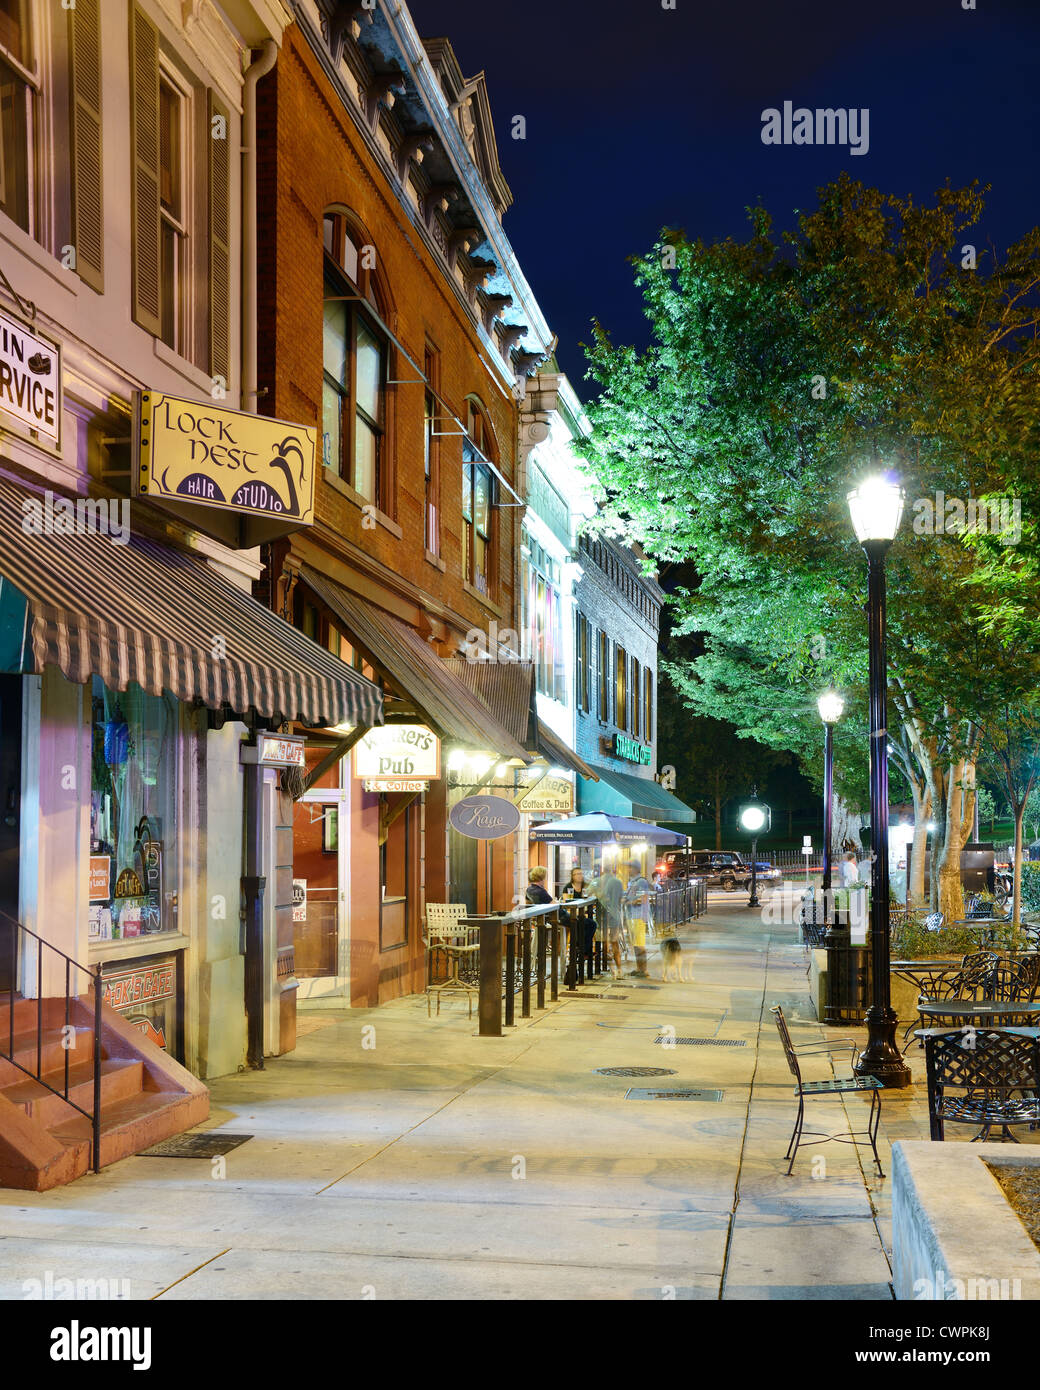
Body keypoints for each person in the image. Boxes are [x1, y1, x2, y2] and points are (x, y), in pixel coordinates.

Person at [560, 867, 596, 982]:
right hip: (571, 915)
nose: (579, 876)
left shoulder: (586, 886)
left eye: (580, 873)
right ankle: (582, 951)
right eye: (576, 874)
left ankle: (580, 949)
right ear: (572, 876)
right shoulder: (568, 887)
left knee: (588, 925)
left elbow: (591, 898)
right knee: (590, 924)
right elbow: (566, 903)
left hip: (582, 914)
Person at [623, 861, 653, 977]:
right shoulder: (633, 882)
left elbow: (643, 899)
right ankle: (639, 968)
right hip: (632, 916)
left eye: (630, 868)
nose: (628, 870)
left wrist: (628, 901)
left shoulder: (641, 881)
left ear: (635, 869)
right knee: (635, 944)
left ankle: (643, 970)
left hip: (638, 916)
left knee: (640, 944)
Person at [596, 864, 624, 979]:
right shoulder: (618, 882)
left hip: (601, 916)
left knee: (604, 943)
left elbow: (588, 893)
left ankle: (611, 970)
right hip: (614, 915)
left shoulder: (597, 881)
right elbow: (620, 899)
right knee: (614, 942)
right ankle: (619, 970)